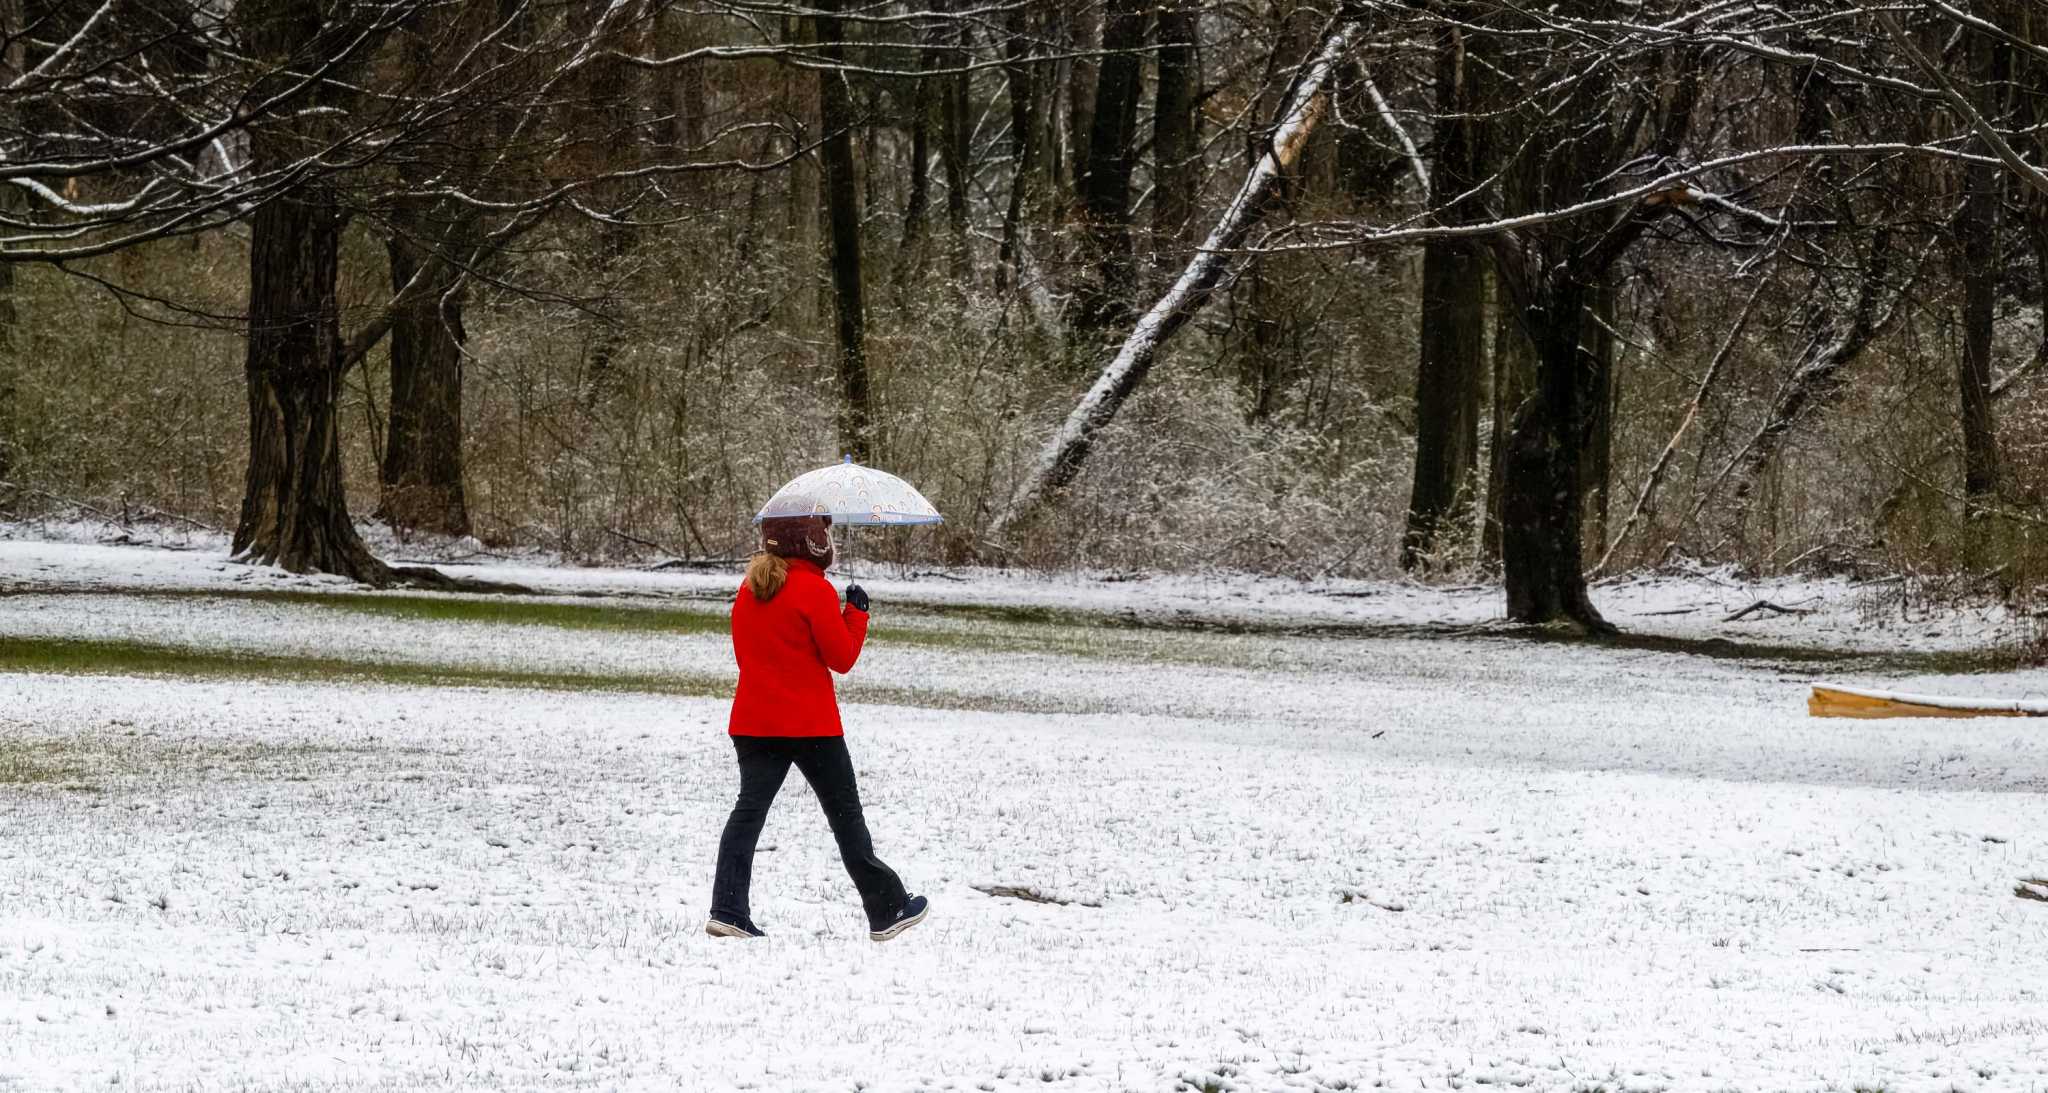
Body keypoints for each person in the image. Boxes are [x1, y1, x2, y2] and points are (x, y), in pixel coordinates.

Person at [706, 512, 929, 942]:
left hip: (754, 722)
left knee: (747, 815)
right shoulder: (813, 589)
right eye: (824, 533)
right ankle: (887, 909)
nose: (829, 539)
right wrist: (857, 612)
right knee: (846, 817)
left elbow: (746, 655)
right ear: (809, 541)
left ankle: (728, 909)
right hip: (811, 726)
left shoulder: (749, 590)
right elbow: (841, 657)